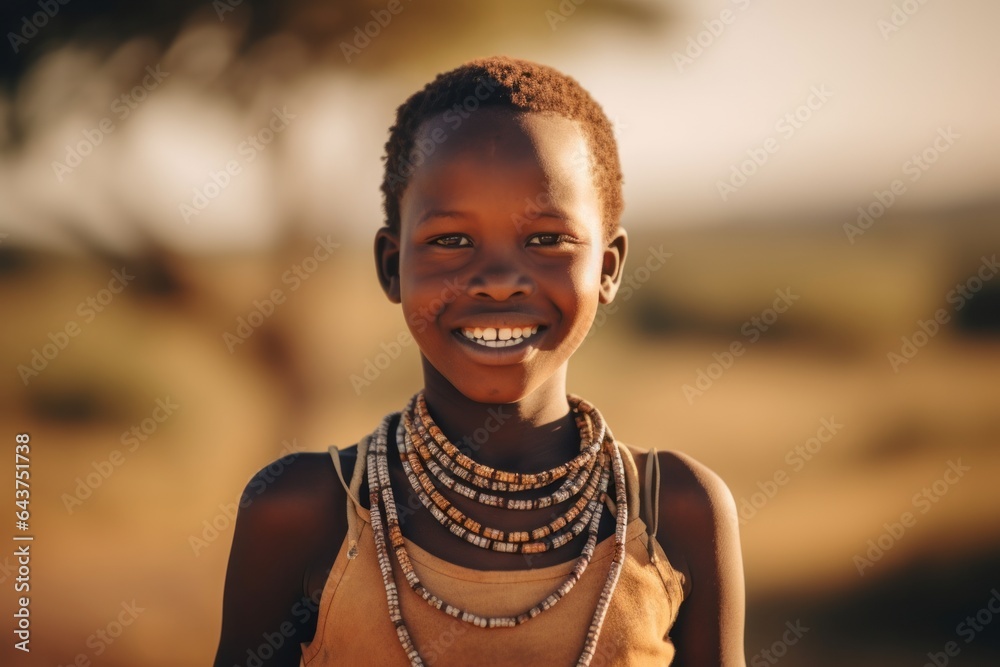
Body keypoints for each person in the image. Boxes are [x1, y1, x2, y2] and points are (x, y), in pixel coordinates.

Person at [214, 56, 745, 667]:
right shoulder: (302, 509)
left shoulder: (674, 508)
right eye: (450, 240)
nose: (497, 282)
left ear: (607, 267)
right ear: (392, 266)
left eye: (547, 238)